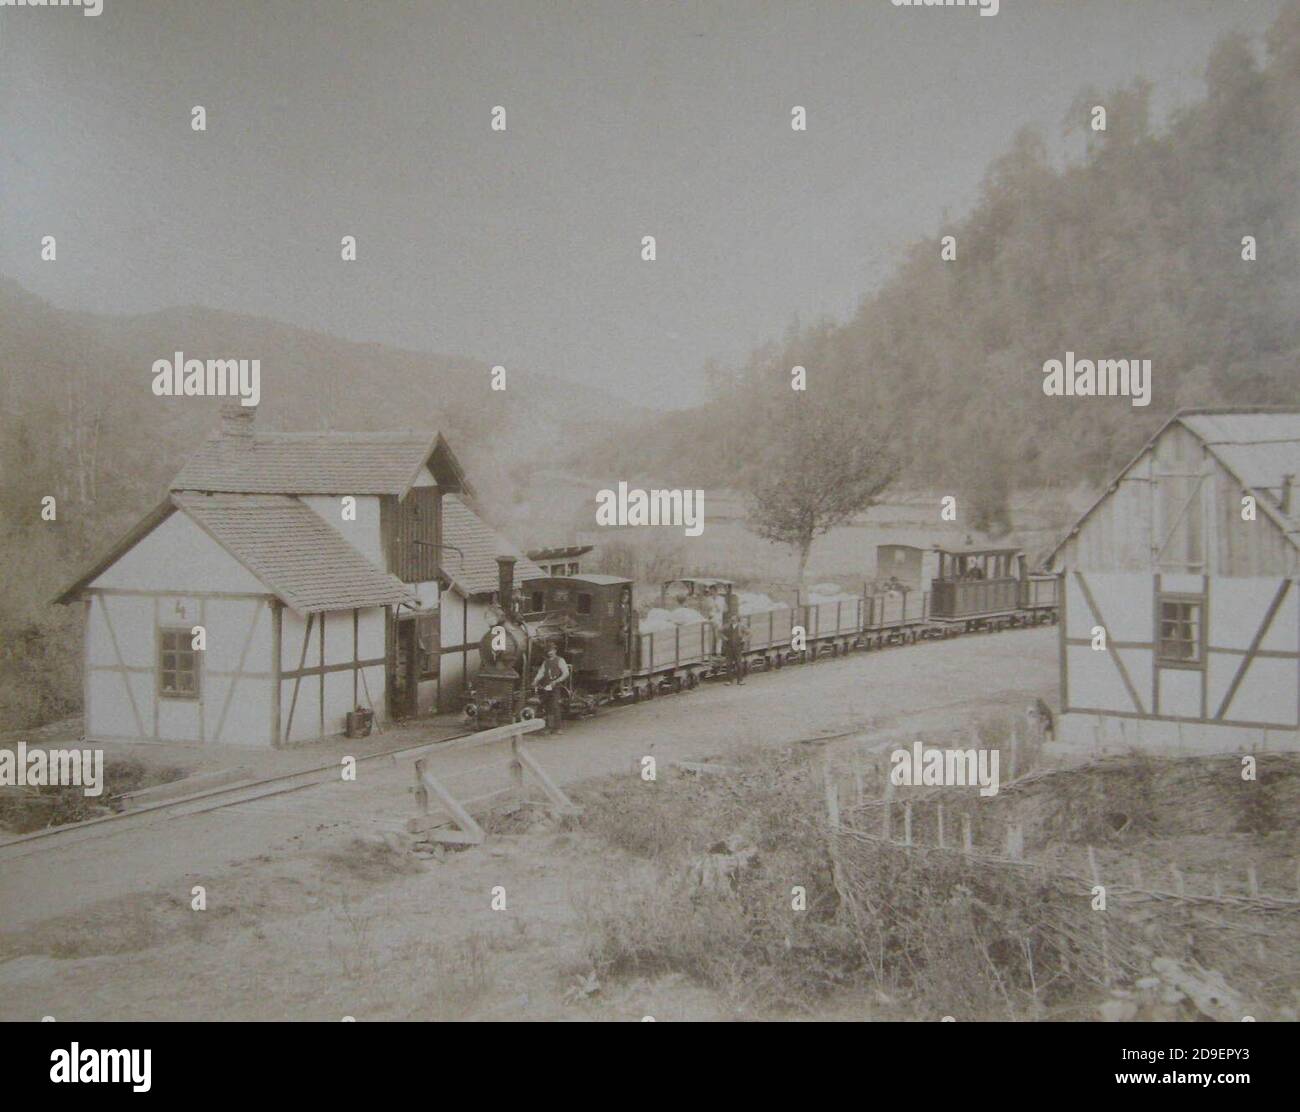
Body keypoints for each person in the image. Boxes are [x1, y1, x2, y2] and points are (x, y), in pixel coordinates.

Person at [533, 643, 570, 734]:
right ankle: (549, 727)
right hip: (546, 686)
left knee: (555, 706)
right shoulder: (545, 662)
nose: (550, 653)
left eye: (552, 651)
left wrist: (557, 681)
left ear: (555, 651)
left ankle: (558, 728)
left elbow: (566, 673)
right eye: (548, 651)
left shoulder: (560, 660)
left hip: (555, 686)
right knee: (547, 706)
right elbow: (541, 673)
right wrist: (535, 680)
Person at [723, 614, 749, 685]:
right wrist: (724, 638)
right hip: (729, 648)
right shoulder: (727, 626)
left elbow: (749, 633)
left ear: (737, 620)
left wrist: (744, 639)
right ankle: (729, 681)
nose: (732, 620)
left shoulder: (742, 626)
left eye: (734, 619)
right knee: (728, 664)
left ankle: (740, 680)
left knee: (739, 664)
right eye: (731, 619)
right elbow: (720, 632)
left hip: (738, 648)